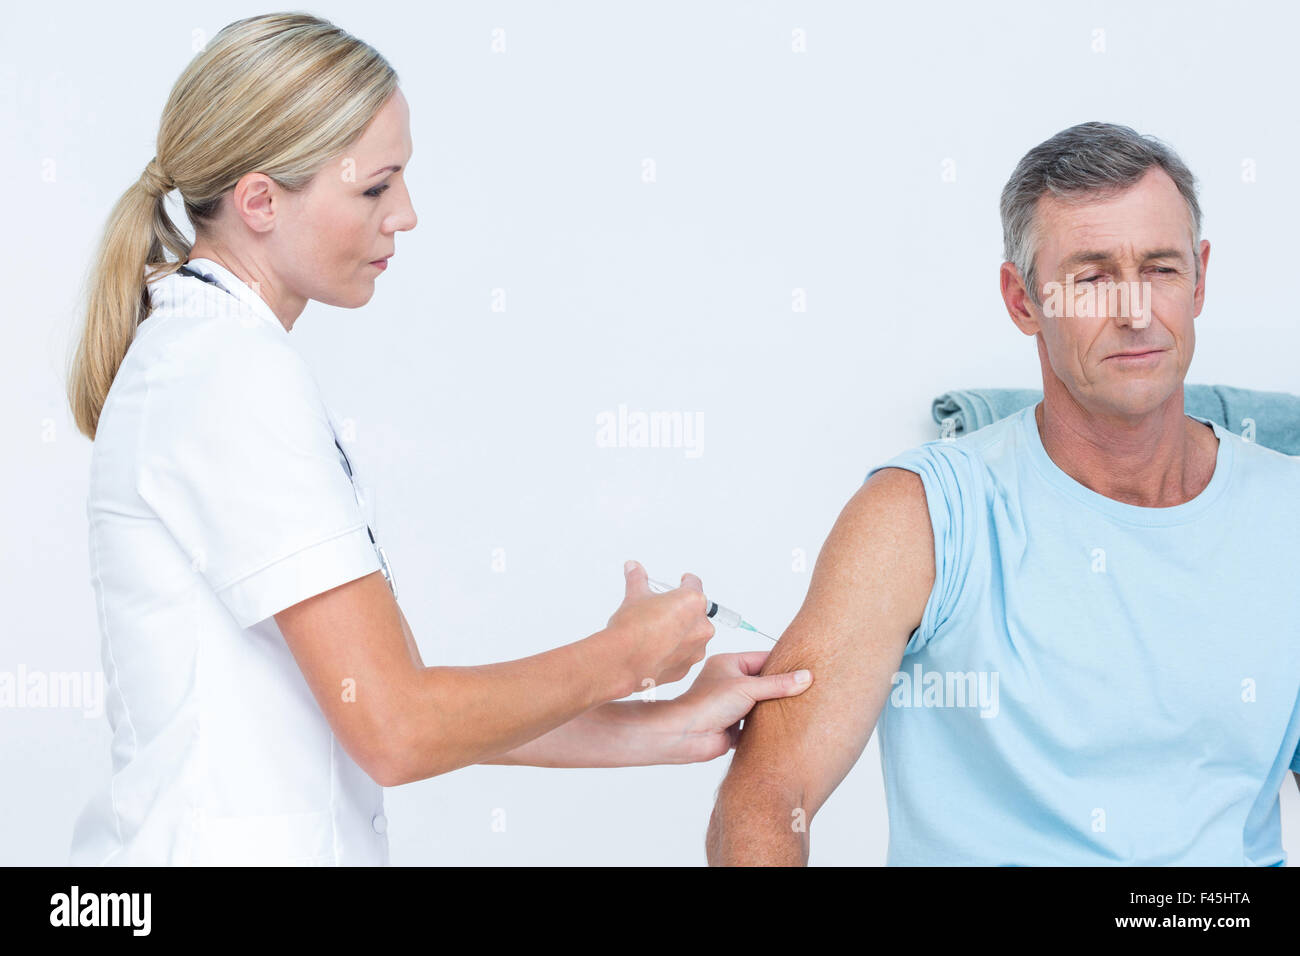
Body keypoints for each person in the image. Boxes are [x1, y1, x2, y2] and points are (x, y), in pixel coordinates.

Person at [65, 12, 811, 866]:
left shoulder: (220, 359)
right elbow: (397, 729)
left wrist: (660, 724)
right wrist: (624, 656)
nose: (407, 215)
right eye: (376, 187)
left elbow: (394, 703)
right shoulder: (228, 375)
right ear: (261, 200)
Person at [707, 121, 1300, 866]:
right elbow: (764, 798)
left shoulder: (1288, 516)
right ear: (1022, 300)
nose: (1136, 311)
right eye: (1090, 277)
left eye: (1160, 269)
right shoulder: (920, 518)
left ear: (1201, 278)